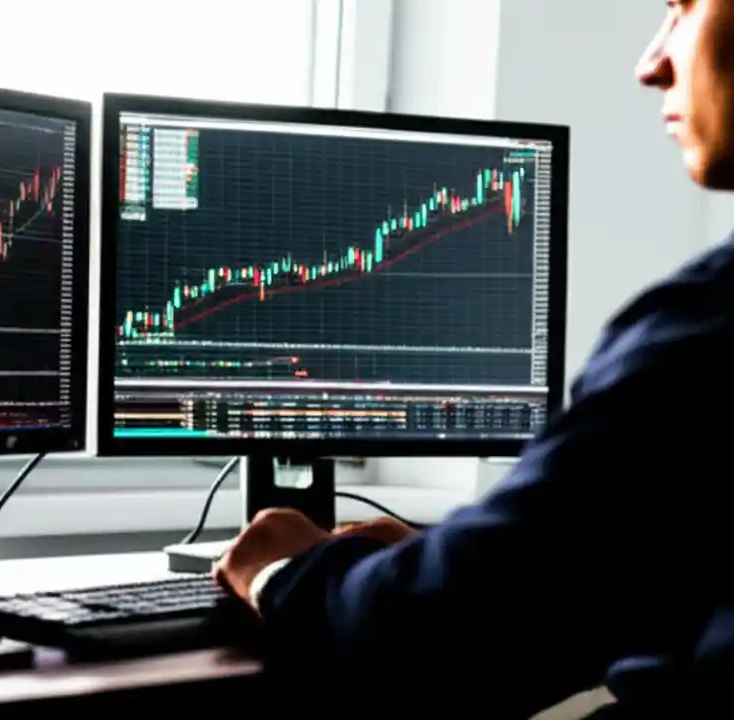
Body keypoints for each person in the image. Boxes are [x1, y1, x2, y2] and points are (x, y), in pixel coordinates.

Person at [214, 2, 734, 717]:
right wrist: (442, 567)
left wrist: (284, 571)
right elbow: (606, 588)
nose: (651, 64)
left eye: (682, 9)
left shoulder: (709, 325)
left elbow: (438, 639)